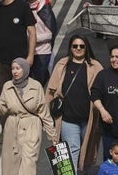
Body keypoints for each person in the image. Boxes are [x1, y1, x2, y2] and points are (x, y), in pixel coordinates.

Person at [47, 33, 104, 175]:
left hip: (88, 119)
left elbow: (104, 88)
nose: (78, 48)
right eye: (75, 46)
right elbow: (50, 91)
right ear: (70, 48)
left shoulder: (95, 66)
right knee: (73, 149)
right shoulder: (62, 65)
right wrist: (46, 118)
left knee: (87, 153)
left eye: (81, 46)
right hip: (67, 119)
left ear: (86, 47)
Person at [0, 58, 57, 175]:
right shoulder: (7, 86)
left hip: (31, 128)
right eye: (13, 68)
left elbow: (44, 113)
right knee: (11, 167)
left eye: (18, 68)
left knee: (29, 164)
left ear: (25, 69)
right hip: (12, 129)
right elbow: (3, 108)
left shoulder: (36, 86)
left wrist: (53, 136)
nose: (15, 71)